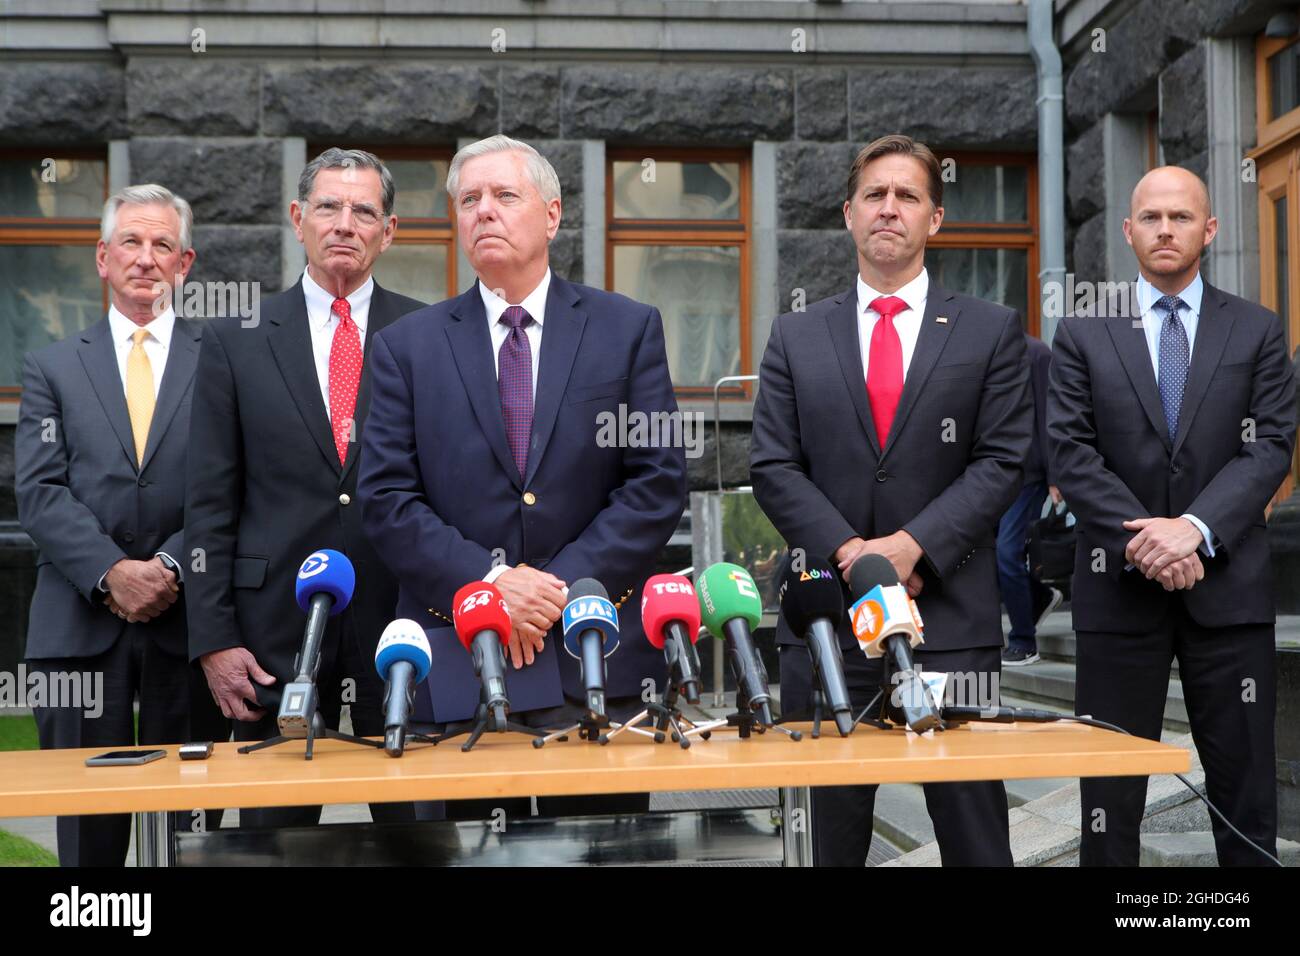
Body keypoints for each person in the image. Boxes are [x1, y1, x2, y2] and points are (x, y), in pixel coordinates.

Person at [358, 134, 686, 817]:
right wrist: (494, 583)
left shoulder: (627, 330)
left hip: (594, 657)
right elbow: (386, 498)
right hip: (458, 664)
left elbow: (656, 484)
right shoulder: (405, 349)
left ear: (552, 214)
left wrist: (555, 590)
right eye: (469, 199)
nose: (484, 212)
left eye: (505, 196)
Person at [750, 134, 1031, 866]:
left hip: (949, 625)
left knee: (976, 842)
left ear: (934, 219)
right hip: (825, 628)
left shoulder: (989, 330)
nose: (889, 209)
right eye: (874, 195)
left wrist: (910, 550)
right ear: (848, 214)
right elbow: (773, 465)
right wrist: (854, 555)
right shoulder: (795, 334)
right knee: (827, 845)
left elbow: (1002, 460)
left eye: (908, 196)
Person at [1048, 165, 1296, 866]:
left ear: (1209, 230)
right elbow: (1069, 452)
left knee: (1245, 789)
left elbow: (1271, 447)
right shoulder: (1084, 334)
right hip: (1118, 591)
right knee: (1109, 795)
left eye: (1181, 217)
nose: (1165, 229)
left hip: (1229, 593)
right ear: (1128, 231)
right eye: (1151, 217)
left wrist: (1194, 528)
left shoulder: (1256, 331)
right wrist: (1148, 539)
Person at [185, 148, 425, 828]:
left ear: (390, 229)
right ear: (298, 218)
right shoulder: (235, 341)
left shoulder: (429, 334)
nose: (344, 224)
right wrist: (213, 639)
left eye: (363, 211)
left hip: (399, 624)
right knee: (272, 840)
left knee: (423, 833)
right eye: (328, 207)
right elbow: (207, 503)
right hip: (269, 636)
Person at [16, 184, 227, 864]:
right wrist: (111, 574)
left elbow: (234, 489)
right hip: (80, 632)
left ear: (185, 263)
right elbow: (40, 491)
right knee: (88, 842)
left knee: (192, 836)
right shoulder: (50, 367)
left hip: (191, 627)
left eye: (162, 244)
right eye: (130, 243)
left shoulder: (223, 362)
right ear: (102, 258)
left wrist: (167, 566)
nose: (146, 258)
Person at [998, 331, 1063, 666]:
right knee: (988, 555)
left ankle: (1024, 641)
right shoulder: (982, 351)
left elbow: (1050, 411)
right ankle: (1040, 595)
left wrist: (1055, 476)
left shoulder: (1036, 354)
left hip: (1030, 475)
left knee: (1006, 553)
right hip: (992, 475)